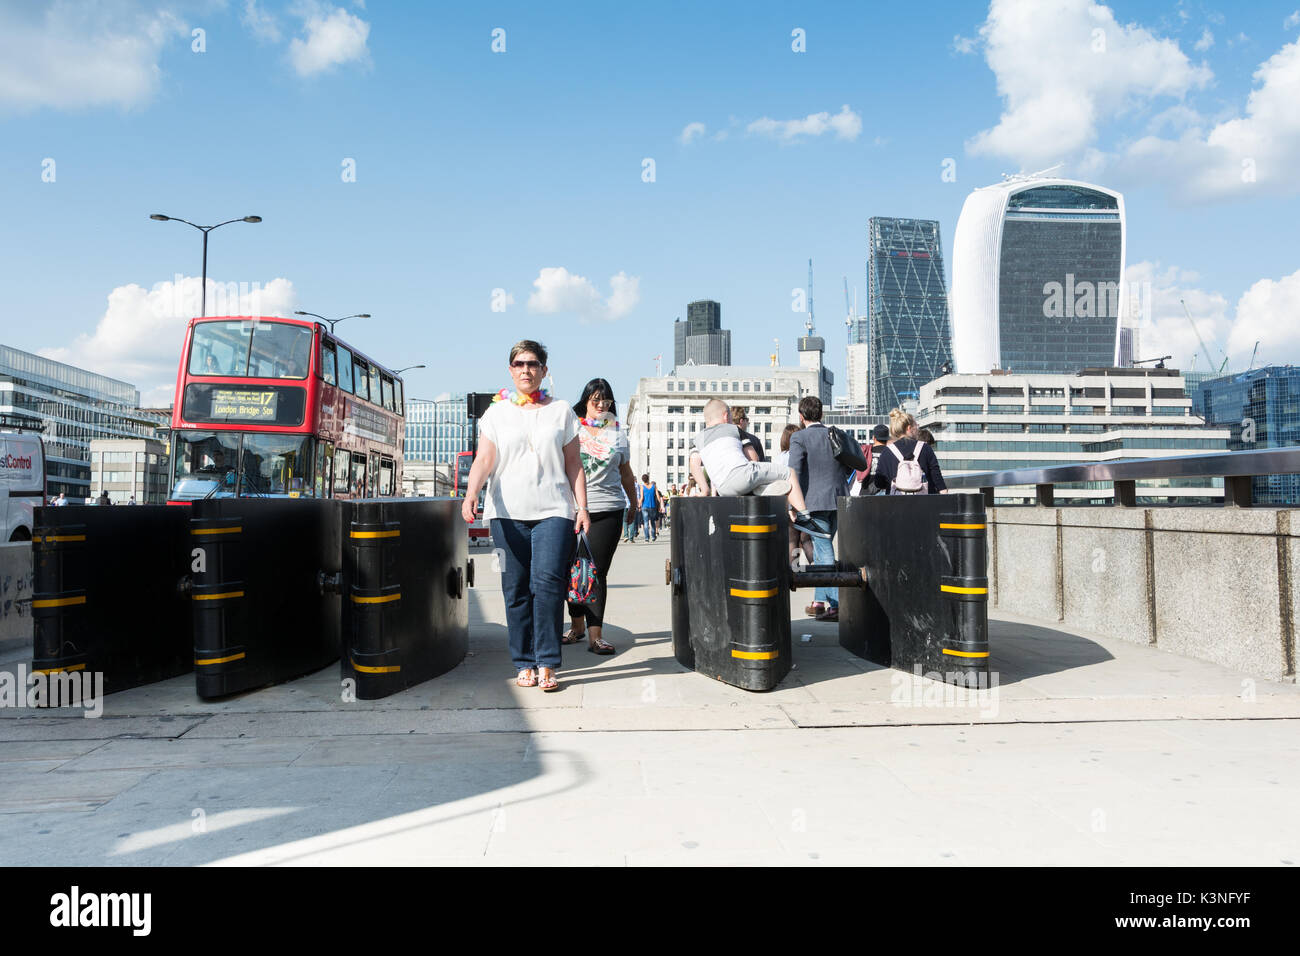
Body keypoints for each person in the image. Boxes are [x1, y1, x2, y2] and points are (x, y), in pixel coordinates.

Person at [462, 339, 589, 693]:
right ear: (510, 370)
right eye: (519, 364)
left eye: (533, 364)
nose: (526, 370)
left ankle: (547, 661)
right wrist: (471, 494)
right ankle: (524, 661)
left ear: (544, 370)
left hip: (554, 511)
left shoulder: (562, 411)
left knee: (548, 586)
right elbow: (485, 459)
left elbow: (573, 464)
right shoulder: (496, 413)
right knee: (515, 589)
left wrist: (582, 507)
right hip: (506, 514)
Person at [561, 378, 638, 656]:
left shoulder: (617, 434)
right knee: (572, 571)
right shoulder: (572, 430)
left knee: (595, 573)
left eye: (606, 401)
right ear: (585, 402)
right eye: (596, 400)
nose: (602, 405)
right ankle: (577, 626)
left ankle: (596, 636)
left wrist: (634, 502)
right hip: (573, 509)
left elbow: (627, 473)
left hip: (609, 509)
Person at [786, 395, 867, 622]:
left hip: (814, 503)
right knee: (823, 550)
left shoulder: (799, 438)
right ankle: (820, 603)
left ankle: (836, 605)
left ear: (801, 417)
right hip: (839, 499)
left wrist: (793, 505)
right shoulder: (836, 433)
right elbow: (852, 464)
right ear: (821, 414)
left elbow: (794, 473)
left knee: (824, 551)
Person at [689, 399, 790, 496]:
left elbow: (694, 464)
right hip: (745, 478)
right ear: (726, 416)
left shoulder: (698, 438)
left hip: (723, 488)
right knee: (788, 472)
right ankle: (762, 487)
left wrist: (705, 490)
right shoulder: (735, 430)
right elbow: (754, 459)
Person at [873, 409, 947, 495]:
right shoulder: (925, 448)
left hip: (895, 503)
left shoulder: (887, 452)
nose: (917, 427)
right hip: (925, 503)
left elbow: (879, 482)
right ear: (909, 428)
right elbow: (937, 477)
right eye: (916, 425)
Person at [779, 424, 812, 566]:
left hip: (789, 502)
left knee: (792, 541)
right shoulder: (805, 455)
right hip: (806, 501)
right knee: (806, 539)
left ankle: (795, 572)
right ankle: (821, 569)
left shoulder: (781, 458)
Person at [856, 424, 891, 497]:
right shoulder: (891, 452)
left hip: (866, 492)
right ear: (887, 439)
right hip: (887, 494)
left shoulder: (866, 452)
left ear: (874, 438)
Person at [638, 473, 663, 541]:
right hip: (653, 506)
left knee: (646, 523)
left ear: (643, 480)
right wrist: (660, 505)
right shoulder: (654, 486)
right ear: (648, 479)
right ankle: (653, 536)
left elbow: (642, 497)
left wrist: (639, 505)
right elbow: (658, 497)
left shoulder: (642, 487)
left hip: (645, 507)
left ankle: (646, 538)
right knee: (652, 522)